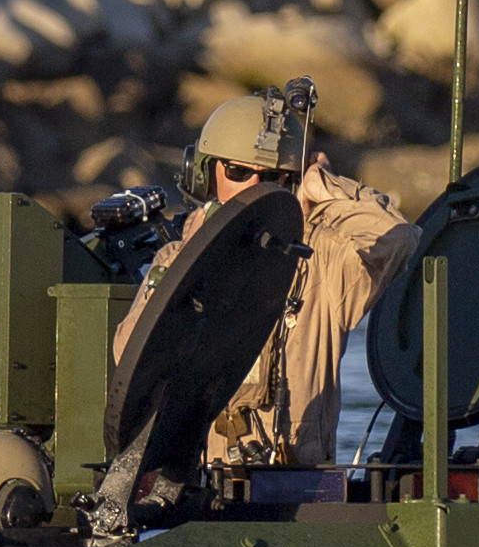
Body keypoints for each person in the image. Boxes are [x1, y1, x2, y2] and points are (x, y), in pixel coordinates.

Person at [172, 92, 415, 476]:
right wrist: (192, 258)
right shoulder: (177, 258)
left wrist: (324, 189)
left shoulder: (323, 261)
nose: (253, 187)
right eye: (238, 172)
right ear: (204, 174)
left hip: (298, 490)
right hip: (199, 486)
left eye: (271, 178)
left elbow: (397, 240)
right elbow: (131, 356)